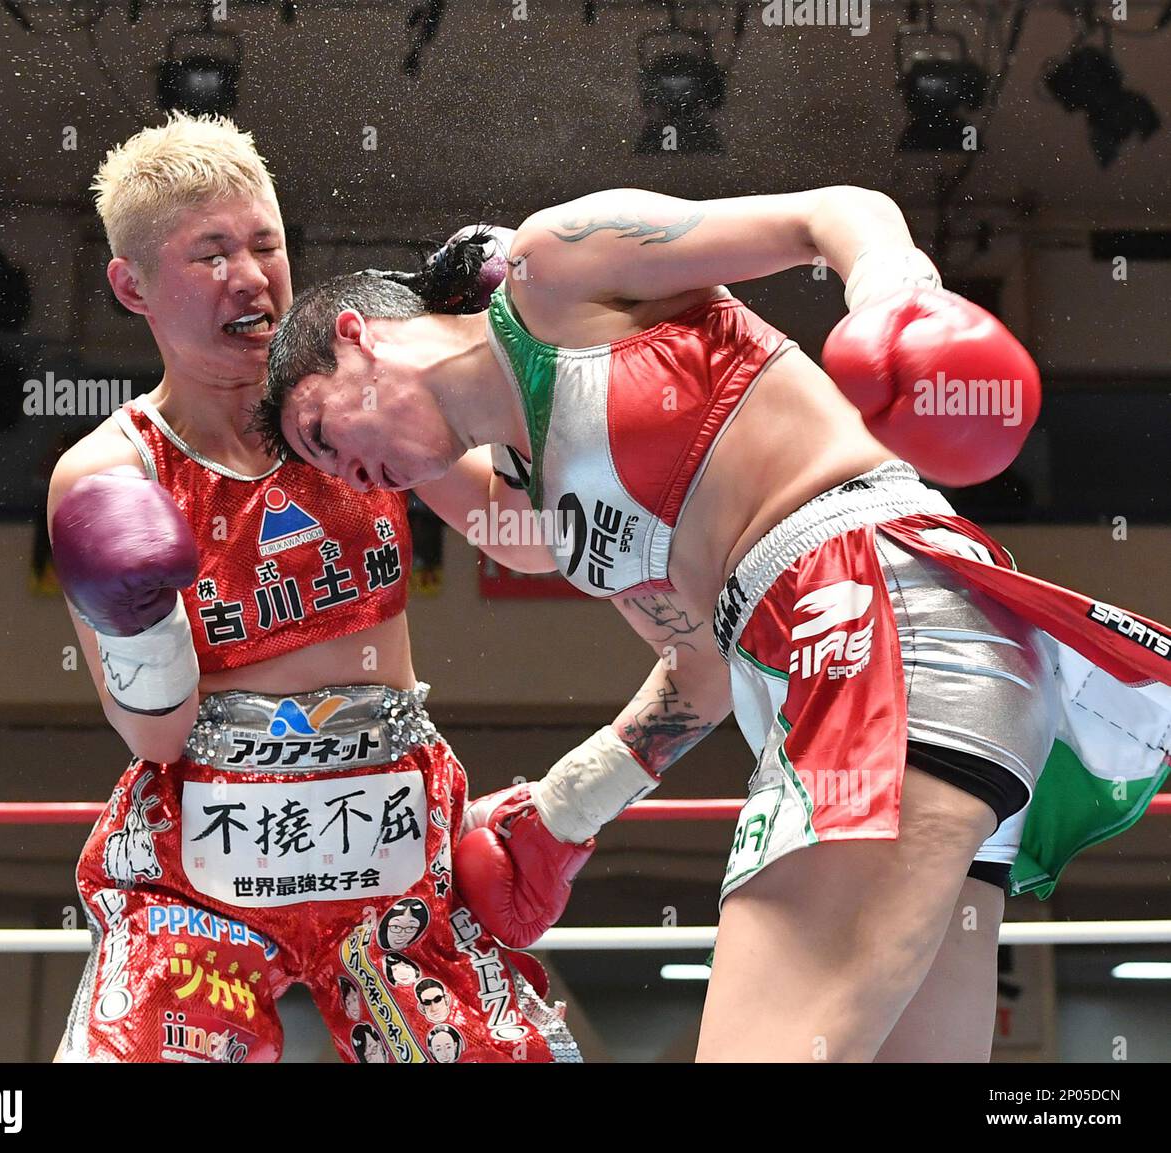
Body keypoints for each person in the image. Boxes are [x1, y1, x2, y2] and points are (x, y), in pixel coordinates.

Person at [259, 186, 1171, 1062]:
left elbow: (831, 212)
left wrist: (899, 302)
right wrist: (566, 807)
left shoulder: (556, 267)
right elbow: (698, 675)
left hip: (876, 623)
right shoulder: (569, 524)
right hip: (823, 679)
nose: (344, 472)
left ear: (357, 334)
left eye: (320, 433)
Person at [49, 112, 579, 1064]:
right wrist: (135, 622)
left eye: (264, 242)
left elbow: (534, 542)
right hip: (201, 865)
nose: (250, 275)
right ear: (132, 285)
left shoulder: (353, 402)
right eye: (209, 254)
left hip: (392, 839)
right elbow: (157, 734)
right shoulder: (112, 474)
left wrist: (513, 364)